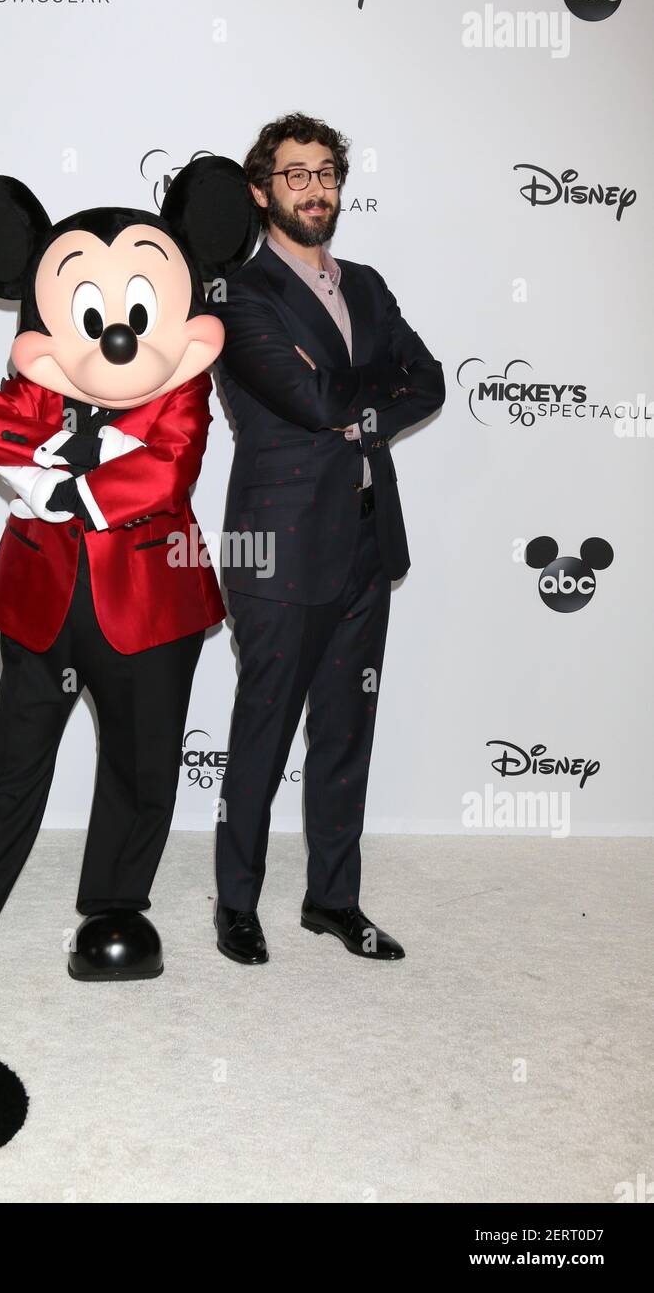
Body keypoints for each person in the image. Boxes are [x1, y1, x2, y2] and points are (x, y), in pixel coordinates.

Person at [213, 112, 445, 966]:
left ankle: (332, 901)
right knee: (262, 733)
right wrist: (362, 394)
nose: (315, 189)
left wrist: (359, 403)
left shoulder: (371, 286)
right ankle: (236, 904)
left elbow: (431, 381)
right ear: (261, 189)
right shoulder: (236, 294)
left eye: (326, 173)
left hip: (363, 539)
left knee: (346, 733)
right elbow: (307, 406)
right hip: (271, 547)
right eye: (296, 174)